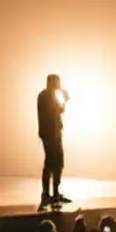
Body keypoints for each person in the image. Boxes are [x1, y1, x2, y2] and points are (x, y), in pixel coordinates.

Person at [37, 73, 73, 209]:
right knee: (53, 163)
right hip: (51, 134)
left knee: (54, 163)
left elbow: (59, 110)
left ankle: (51, 193)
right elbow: (59, 109)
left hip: (52, 133)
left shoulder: (46, 95)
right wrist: (64, 98)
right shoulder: (47, 96)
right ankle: (49, 194)